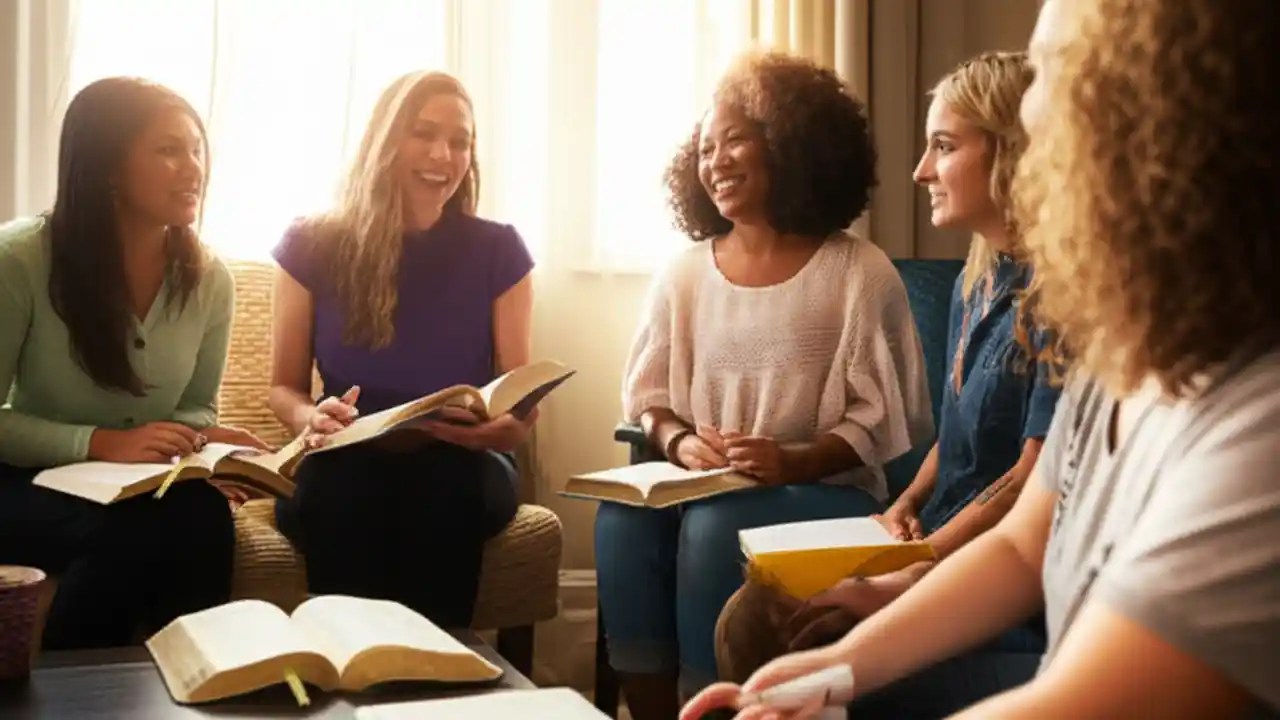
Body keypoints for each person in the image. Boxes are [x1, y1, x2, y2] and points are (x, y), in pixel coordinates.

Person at [682, 0, 1280, 717]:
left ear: (1161, 124)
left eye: (1056, 76)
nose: (1034, 121)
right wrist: (834, 666)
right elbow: (1024, 550)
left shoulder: (1259, 422)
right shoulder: (1120, 354)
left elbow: (1084, 700)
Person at [598, 51, 934, 719]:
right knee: (622, 523)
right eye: (704, 148)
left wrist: (793, 461)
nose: (714, 160)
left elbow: (887, 423)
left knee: (712, 527)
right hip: (709, 485)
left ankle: (710, 705)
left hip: (829, 494)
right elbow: (649, 400)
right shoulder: (683, 274)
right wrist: (681, 442)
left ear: (786, 142)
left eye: (733, 141)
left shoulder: (857, 271)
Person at [713, 51, 1060, 682]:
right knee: (751, 614)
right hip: (933, 537)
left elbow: (1030, 482)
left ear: (1013, 152)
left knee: (790, 631)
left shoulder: (1063, 297)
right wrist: (904, 504)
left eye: (944, 147)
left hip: (987, 565)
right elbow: (953, 439)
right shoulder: (974, 282)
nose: (921, 169)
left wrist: (918, 564)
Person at [0, 77, 258, 649]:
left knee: (202, 516)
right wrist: (99, 442)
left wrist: (204, 447)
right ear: (107, 167)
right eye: (168, 150)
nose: (193, 168)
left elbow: (194, 406)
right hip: (22, 482)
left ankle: (202, 689)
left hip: (137, 486)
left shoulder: (210, 280)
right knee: (126, 532)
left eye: (196, 149)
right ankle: (76, 704)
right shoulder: (19, 260)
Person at [269, 71, 533, 629]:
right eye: (423, 133)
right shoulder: (312, 243)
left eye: (460, 141)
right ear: (385, 139)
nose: (443, 154)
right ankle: (349, 674)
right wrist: (309, 416)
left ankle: (434, 684)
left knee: (444, 493)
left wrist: (505, 428)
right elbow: (283, 387)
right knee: (338, 493)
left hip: (461, 460)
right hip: (345, 457)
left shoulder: (499, 250)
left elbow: (519, 400)